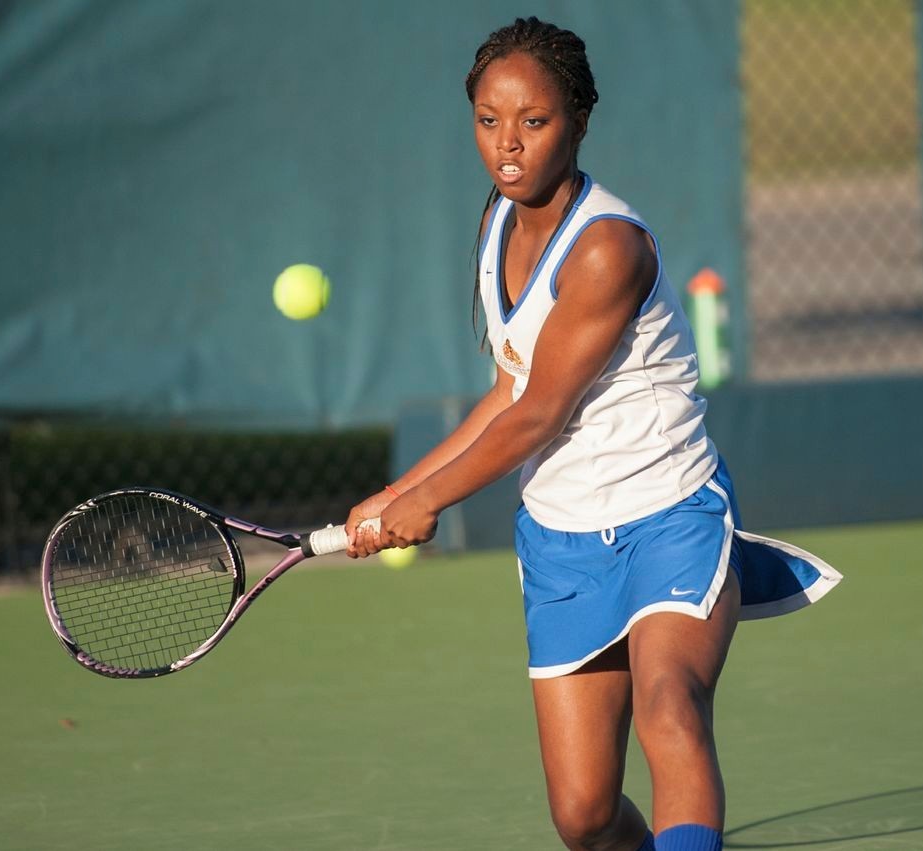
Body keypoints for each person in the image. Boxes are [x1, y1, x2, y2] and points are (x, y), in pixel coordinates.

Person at [345, 17, 841, 851]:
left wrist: (428, 498)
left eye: (533, 122)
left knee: (668, 705)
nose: (508, 145)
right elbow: (506, 388)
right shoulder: (498, 225)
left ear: (577, 122)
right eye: (489, 120)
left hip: (669, 514)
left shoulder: (609, 248)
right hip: (562, 543)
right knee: (583, 815)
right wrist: (394, 495)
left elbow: (540, 412)